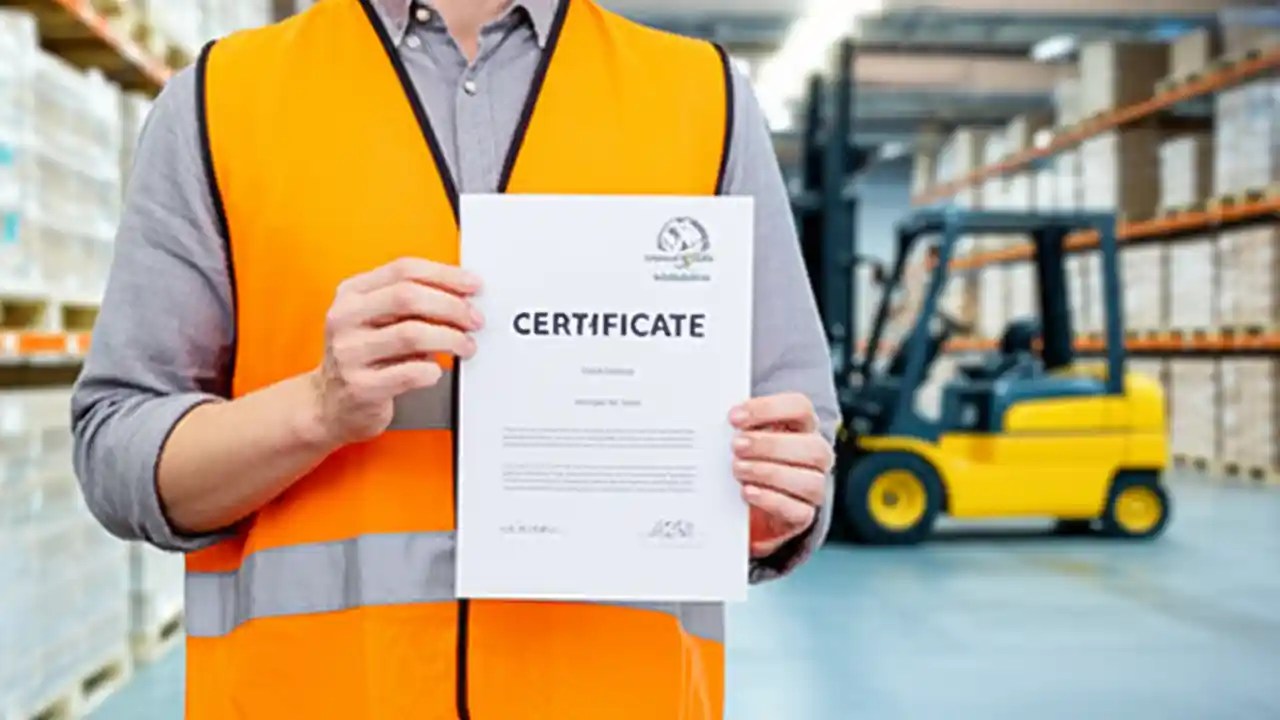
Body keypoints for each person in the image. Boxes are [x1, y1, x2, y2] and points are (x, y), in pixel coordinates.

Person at [71, 0, 840, 717]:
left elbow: (796, 442)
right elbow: (118, 453)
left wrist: (777, 503)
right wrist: (315, 409)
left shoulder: (705, 101)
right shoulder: (220, 101)